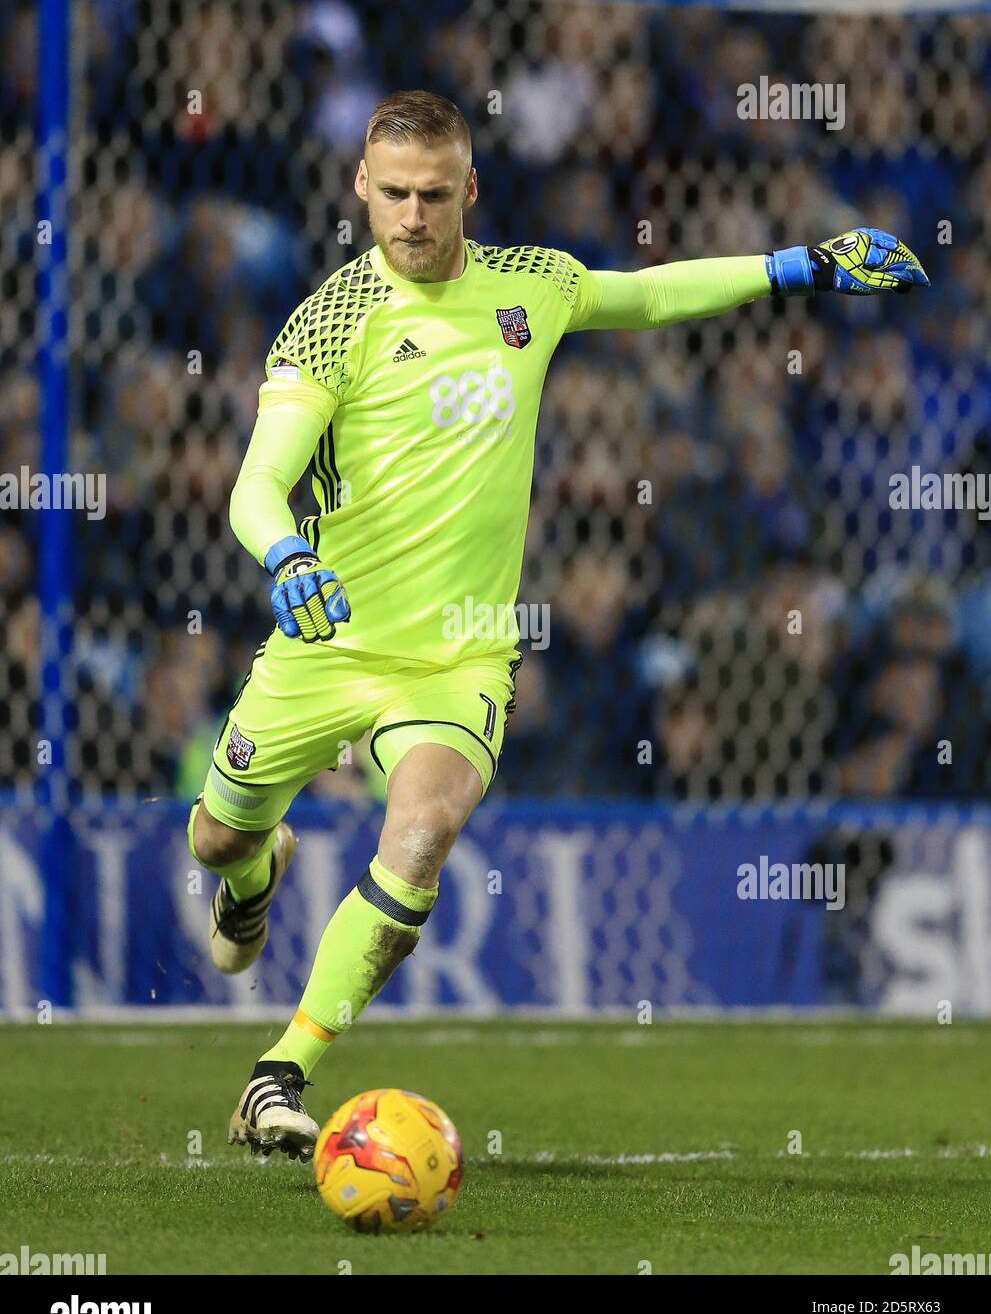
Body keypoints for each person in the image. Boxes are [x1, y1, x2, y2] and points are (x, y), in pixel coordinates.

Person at [184, 88, 929, 1161]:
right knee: (218, 834)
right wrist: (287, 553)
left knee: (424, 830)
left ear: (468, 189)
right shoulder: (332, 321)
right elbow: (257, 485)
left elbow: (648, 294)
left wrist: (793, 265)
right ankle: (252, 880)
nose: (410, 215)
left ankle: (279, 1070)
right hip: (325, 644)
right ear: (360, 185)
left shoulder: (530, 287)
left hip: (462, 655)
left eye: (433, 194)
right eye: (391, 192)